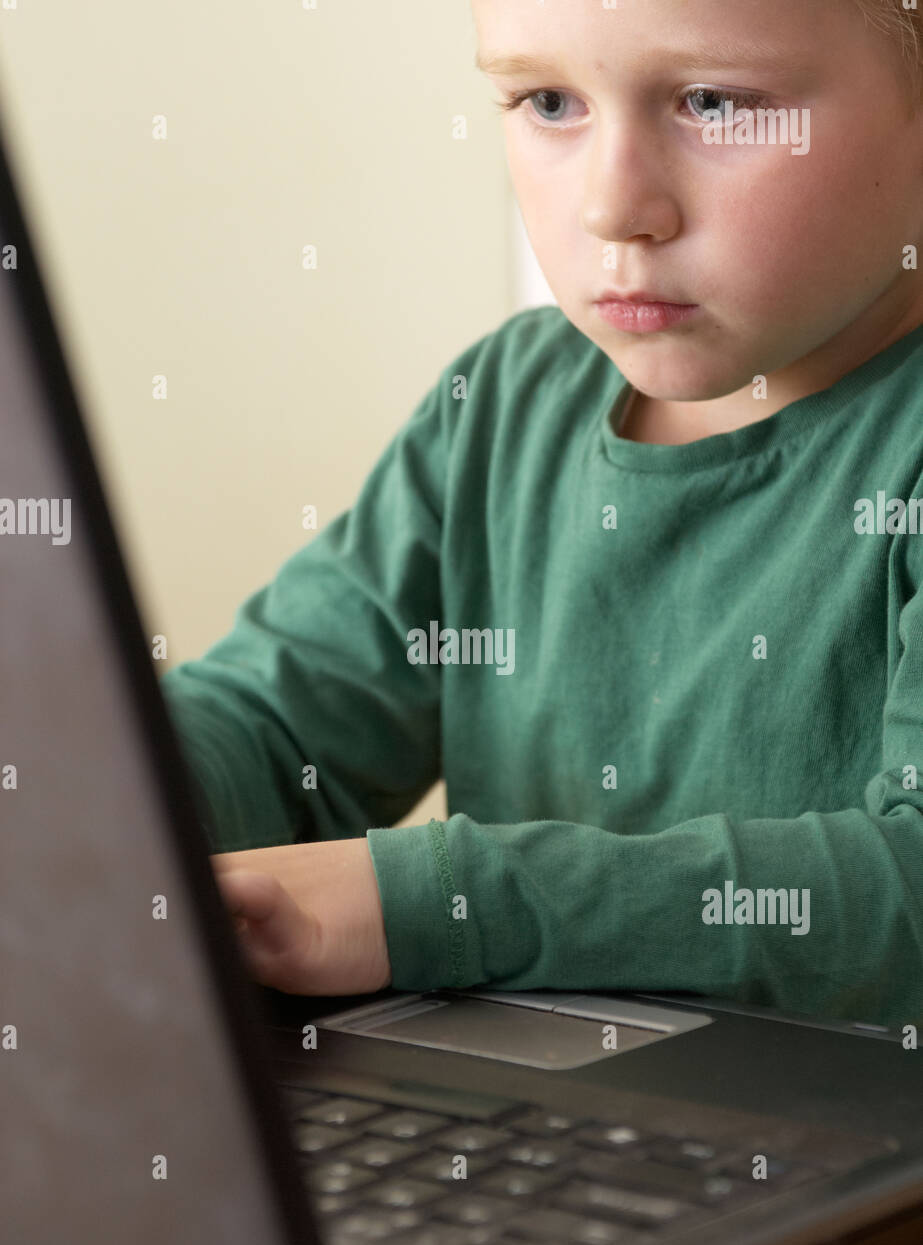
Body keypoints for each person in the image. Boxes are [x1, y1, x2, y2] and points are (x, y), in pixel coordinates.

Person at [159, 0, 923, 1027]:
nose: (613, 207)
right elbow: (274, 726)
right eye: (547, 100)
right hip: (554, 1146)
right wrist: (103, 814)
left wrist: (443, 899)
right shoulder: (505, 405)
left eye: (711, 102)